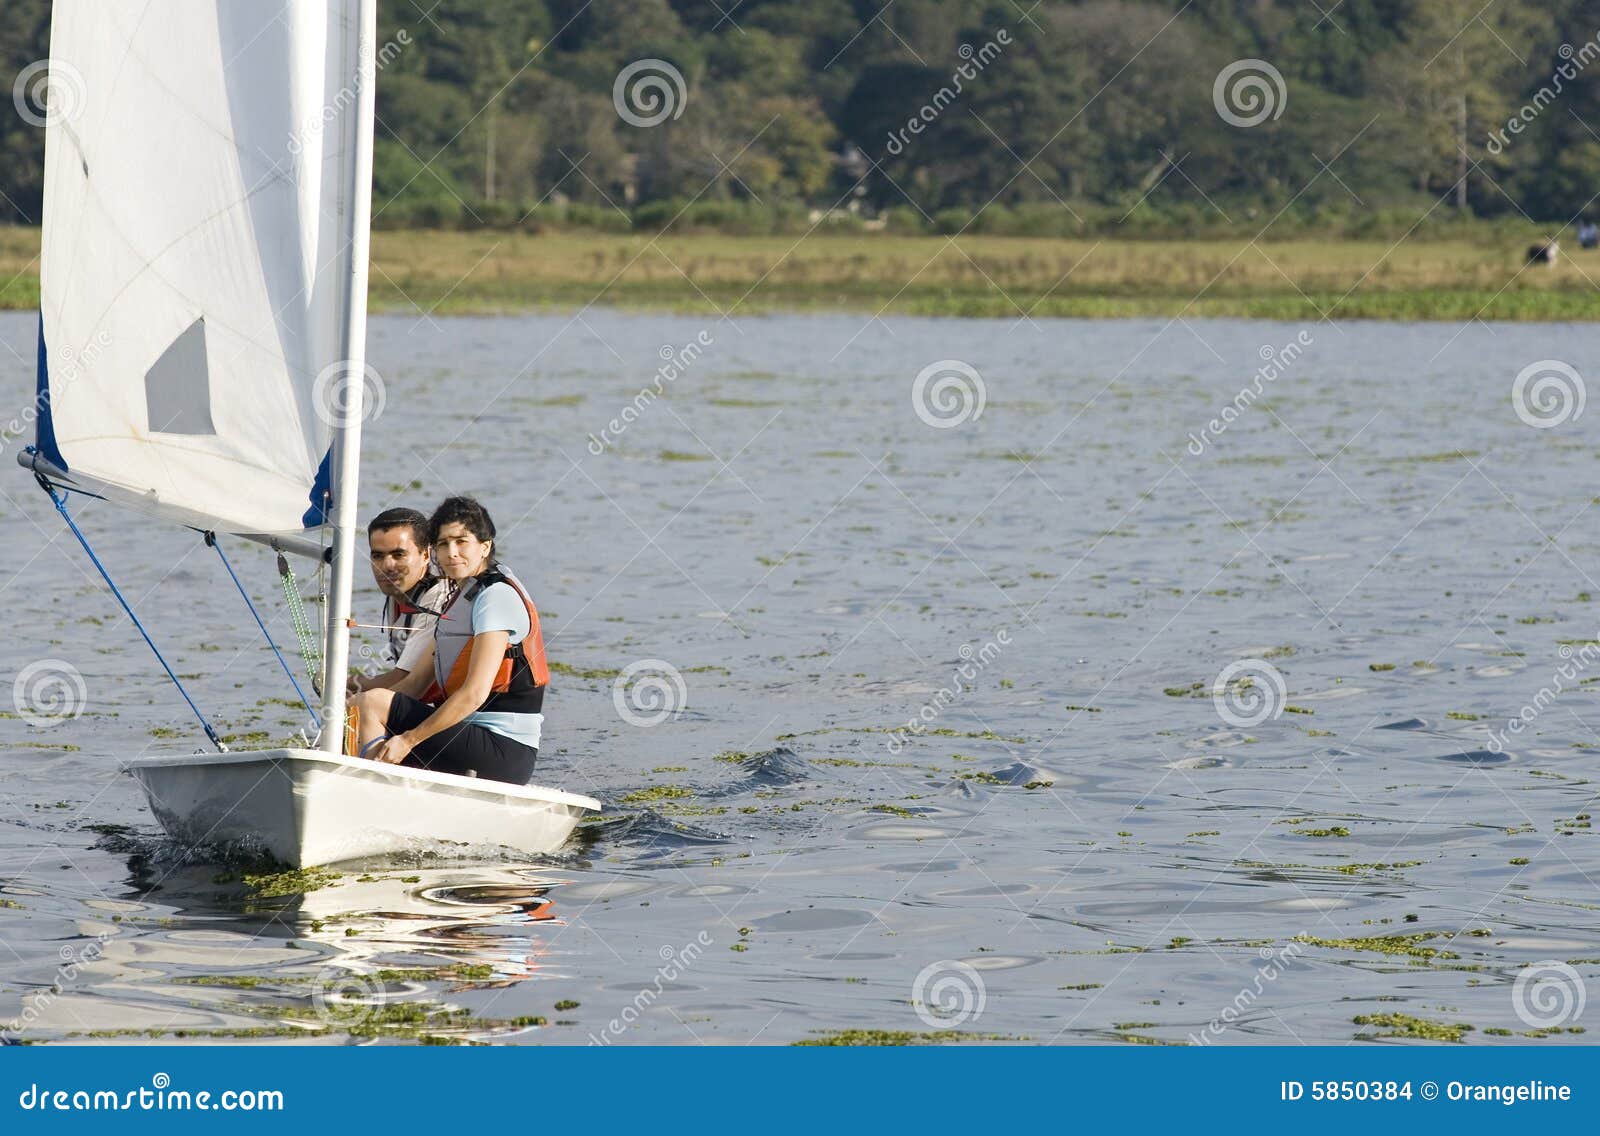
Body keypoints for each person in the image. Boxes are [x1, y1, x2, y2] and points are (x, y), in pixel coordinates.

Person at [351, 496, 548, 785]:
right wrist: (352, 698)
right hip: (469, 735)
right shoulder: (460, 598)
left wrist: (408, 740)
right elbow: (414, 686)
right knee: (364, 704)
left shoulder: (495, 597)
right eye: (443, 544)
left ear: (485, 546)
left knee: (373, 704)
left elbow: (474, 694)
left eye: (461, 541)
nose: (451, 553)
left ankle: (364, 792)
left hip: (504, 750)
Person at [347, 508, 453, 695]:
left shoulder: (439, 599)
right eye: (377, 556)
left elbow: (405, 681)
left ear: (426, 555)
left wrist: (342, 683)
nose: (387, 566)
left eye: (399, 555)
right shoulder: (397, 592)